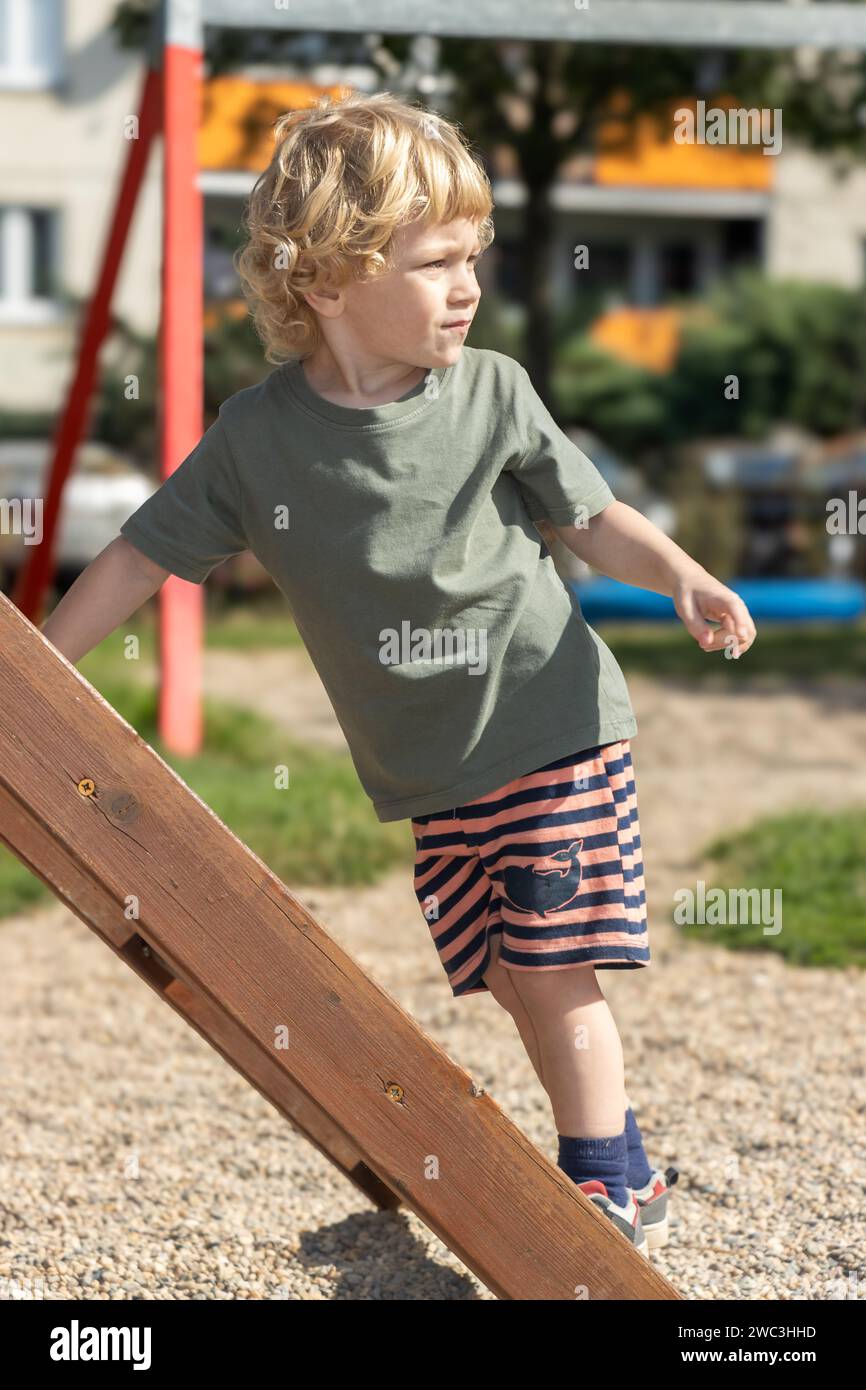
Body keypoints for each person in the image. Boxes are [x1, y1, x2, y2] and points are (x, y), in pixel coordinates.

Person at [41, 91, 756, 1258]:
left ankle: (596, 1191)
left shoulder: (493, 392)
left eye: (473, 256)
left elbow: (589, 516)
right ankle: (626, 1161)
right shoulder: (256, 440)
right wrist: (39, 670)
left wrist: (679, 576)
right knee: (512, 975)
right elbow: (137, 556)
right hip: (429, 768)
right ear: (325, 281)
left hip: (548, 721)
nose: (467, 284)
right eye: (434, 263)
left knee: (550, 957)